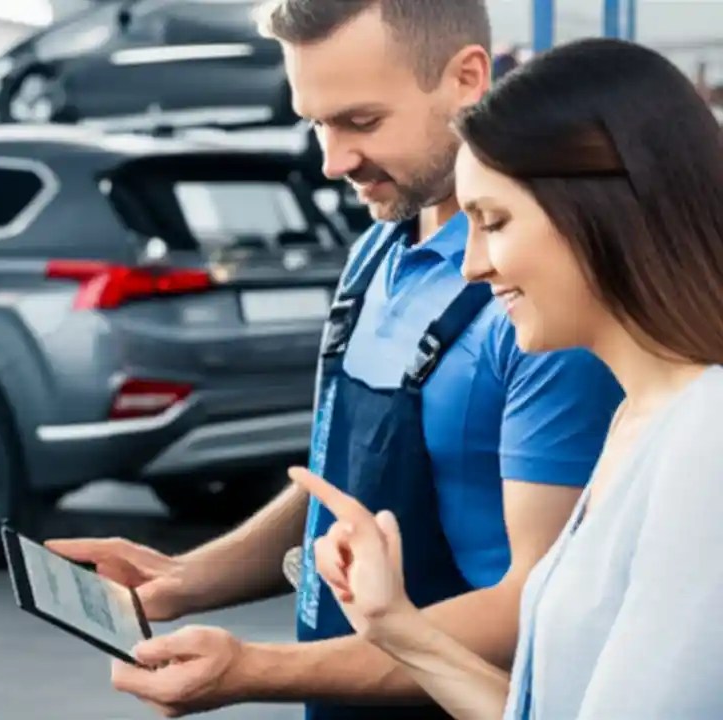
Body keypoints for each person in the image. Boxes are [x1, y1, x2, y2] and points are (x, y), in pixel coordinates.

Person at [45, 1, 625, 718]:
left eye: (361, 121)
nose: (332, 161)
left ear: (468, 78)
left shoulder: (535, 301)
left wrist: (262, 670)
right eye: (315, 122)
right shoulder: (373, 253)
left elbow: (536, 606)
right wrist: (187, 578)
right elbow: (342, 485)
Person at [296, 36, 723, 720]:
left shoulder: (705, 439)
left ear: (601, 215)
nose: (471, 265)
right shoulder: (636, 420)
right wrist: (396, 629)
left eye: (492, 222)